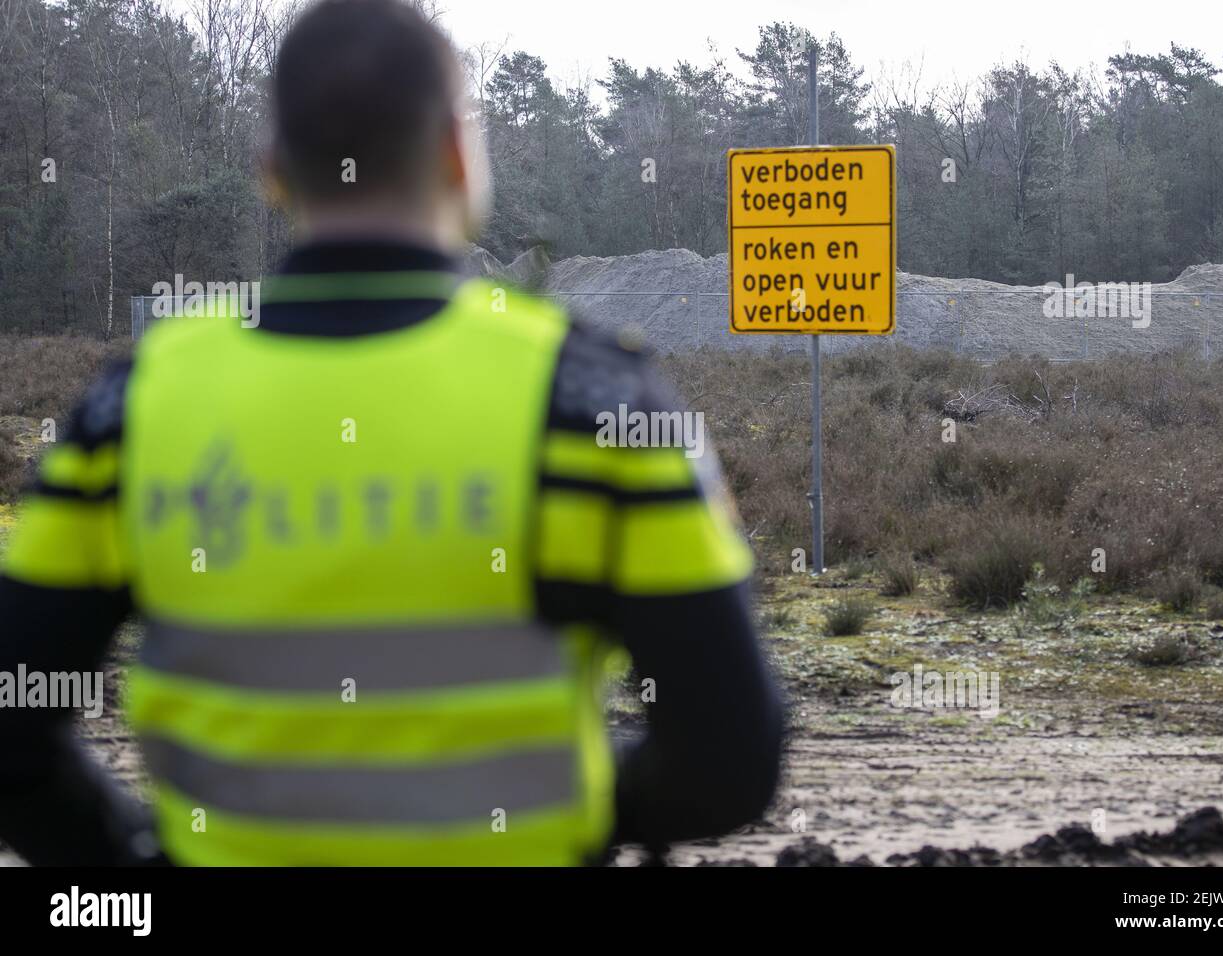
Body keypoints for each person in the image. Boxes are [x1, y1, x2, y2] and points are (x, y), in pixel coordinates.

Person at [0, 0, 781, 866]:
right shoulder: (597, 403)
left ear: (271, 169)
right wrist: (585, 817)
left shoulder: (129, 410)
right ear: (456, 152)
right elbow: (731, 756)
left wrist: (135, 857)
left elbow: (11, 729)